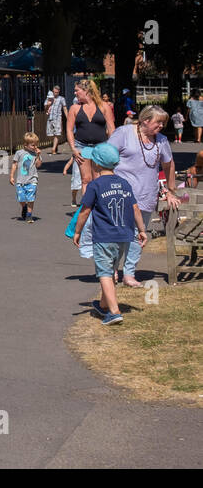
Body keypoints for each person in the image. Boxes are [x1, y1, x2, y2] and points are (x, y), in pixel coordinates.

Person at [72, 143, 148, 325]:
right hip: (124, 236)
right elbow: (135, 208)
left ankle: (114, 312)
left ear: (96, 164)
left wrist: (77, 231)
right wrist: (142, 230)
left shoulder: (95, 185)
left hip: (104, 237)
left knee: (104, 272)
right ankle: (103, 305)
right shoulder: (124, 183)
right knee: (112, 269)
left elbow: (85, 210)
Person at [108, 105, 183, 286]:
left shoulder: (162, 140)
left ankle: (129, 274)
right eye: (158, 122)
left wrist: (170, 191)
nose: (161, 126)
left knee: (137, 235)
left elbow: (168, 164)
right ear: (145, 120)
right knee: (118, 234)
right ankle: (110, 271)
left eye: (163, 123)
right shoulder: (124, 133)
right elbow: (106, 157)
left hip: (146, 195)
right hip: (120, 194)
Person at [68, 78, 117, 255]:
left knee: (99, 179)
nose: (75, 93)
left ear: (86, 90)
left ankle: (100, 207)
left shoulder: (103, 106)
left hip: (100, 147)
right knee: (86, 179)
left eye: (77, 90)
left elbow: (111, 127)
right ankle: (87, 208)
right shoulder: (74, 108)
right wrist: (73, 149)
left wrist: (112, 148)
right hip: (82, 147)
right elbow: (69, 129)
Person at [9, 132, 42, 223]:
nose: (35, 147)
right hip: (21, 181)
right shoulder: (19, 153)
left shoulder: (35, 154)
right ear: (25, 145)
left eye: (36, 145)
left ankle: (29, 215)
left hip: (32, 180)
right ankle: (24, 207)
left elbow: (38, 165)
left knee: (31, 199)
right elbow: (14, 164)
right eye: (32, 145)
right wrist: (11, 176)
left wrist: (38, 155)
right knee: (21, 198)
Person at [44, 86, 68, 154]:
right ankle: (55, 144)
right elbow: (45, 109)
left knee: (57, 133)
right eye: (54, 92)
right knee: (50, 134)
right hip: (50, 118)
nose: (55, 93)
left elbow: (65, 108)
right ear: (52, 91)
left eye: (57, 92)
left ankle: (53, 149)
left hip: (57, 118)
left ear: (59, 92)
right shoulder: (48, 98)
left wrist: (68, 117)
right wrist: (48, 105)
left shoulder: (61, 99)